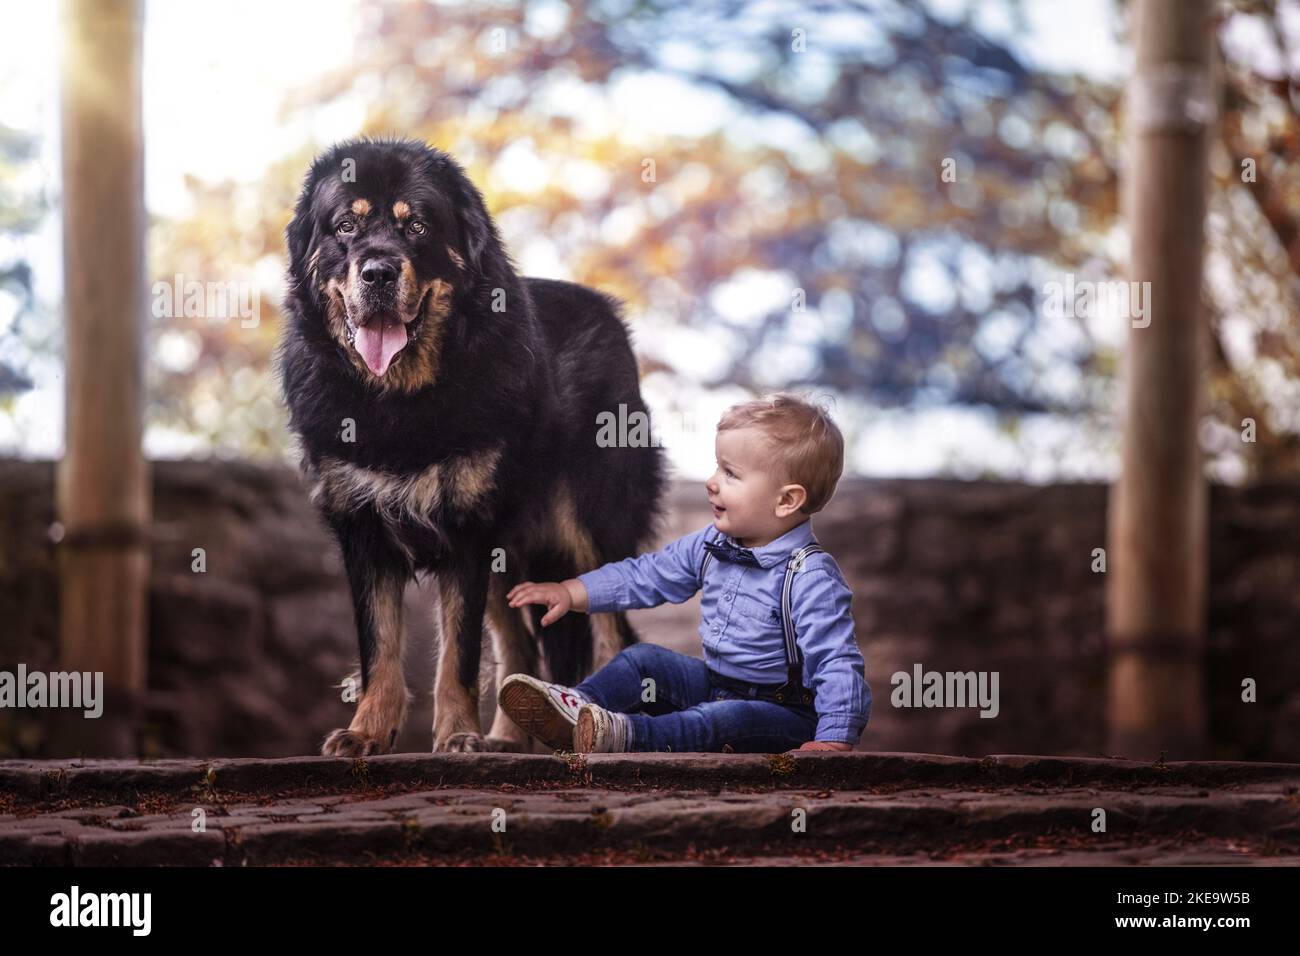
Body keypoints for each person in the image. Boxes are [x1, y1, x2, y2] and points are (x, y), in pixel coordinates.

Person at [500, 392, 871, 754]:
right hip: (714, 684)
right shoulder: (711, 544)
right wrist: (573, 591)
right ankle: (576, 708)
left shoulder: (809, 575)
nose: (712, 481)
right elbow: (647, 575)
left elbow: (835, 660)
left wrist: (834, 736)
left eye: (730, 473)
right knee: (642, 659)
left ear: (786, 500)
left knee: (715, 720)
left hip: (781, 713)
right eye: (716, 466)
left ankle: (624, 734)